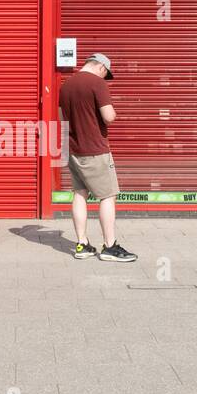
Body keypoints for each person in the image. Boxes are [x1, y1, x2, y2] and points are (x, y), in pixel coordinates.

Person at [57, 53, 136, 262]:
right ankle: (110, 246)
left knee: (79, 194)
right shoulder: (97, 84)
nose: (104, 77)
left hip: (73, 150)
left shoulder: (66, 86)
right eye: (105, 73)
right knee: (108, 196)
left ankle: (82, 244)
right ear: (101, 67)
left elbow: (60, 117)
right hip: (95, 149)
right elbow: (108, 116)